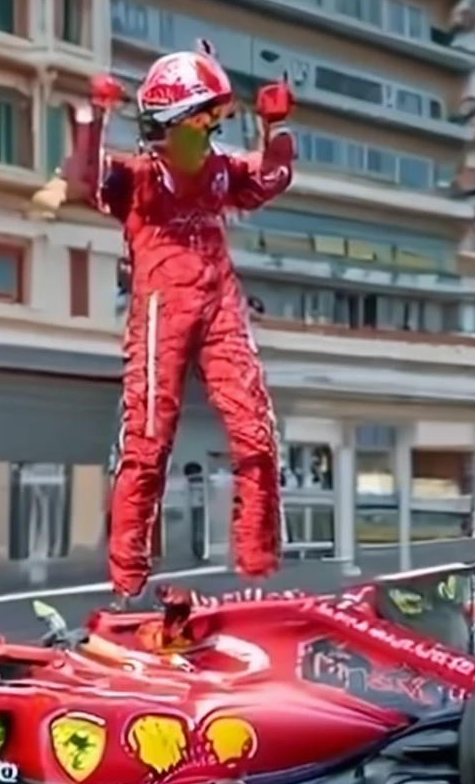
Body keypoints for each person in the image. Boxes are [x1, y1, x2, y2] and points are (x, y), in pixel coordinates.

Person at [39, 46, 295, 602]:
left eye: (216, 123)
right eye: (203, 122)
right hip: (162, 307)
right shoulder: (136, 180)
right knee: (149, 441)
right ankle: (127, 581)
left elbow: (272, 177)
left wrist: (275, 127)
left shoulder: (222, 173)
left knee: (256, 437)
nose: (211, 134)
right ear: (172, 124)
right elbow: (86, 179)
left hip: (220, 299)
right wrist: (93, 118)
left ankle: (258, 562)